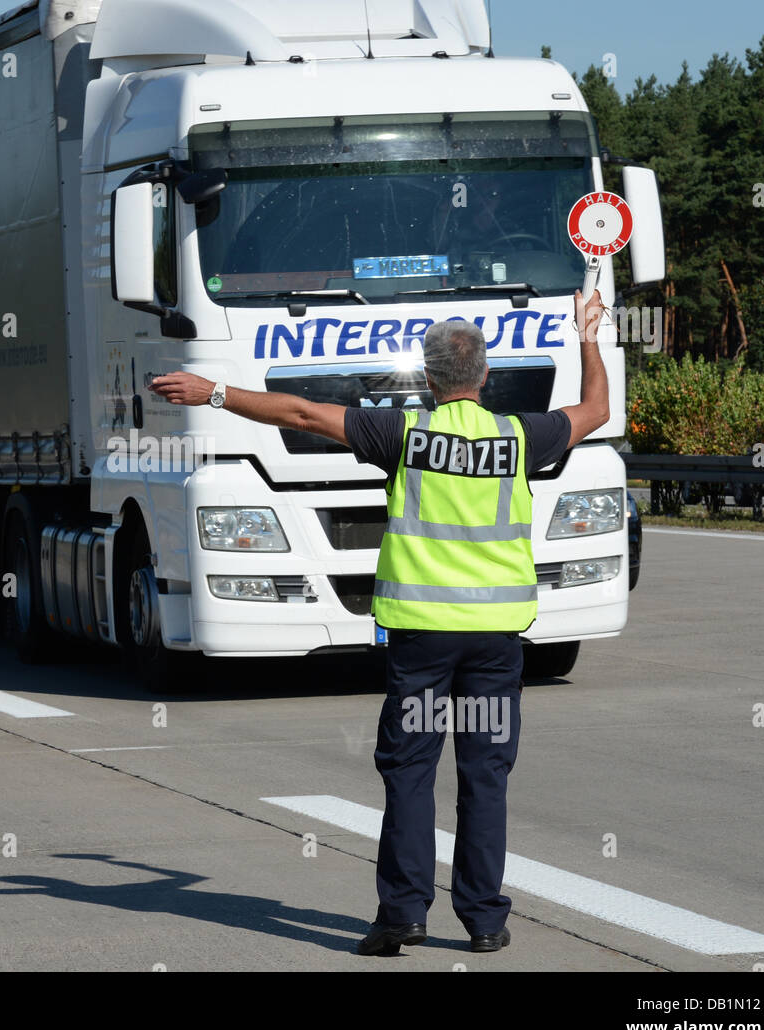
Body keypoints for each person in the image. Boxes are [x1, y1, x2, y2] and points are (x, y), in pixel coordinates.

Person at [149, 289, 610, 956]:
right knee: (483, 775)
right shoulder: (520, 436)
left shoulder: (402, 434)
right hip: (494, 643)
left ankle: (403, 915)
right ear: (484, 377)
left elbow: (302, 410)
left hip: (422, 642)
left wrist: (212, 392)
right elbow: (597, 409)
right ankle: (483, 921)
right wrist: (588, 333)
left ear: (426, 380)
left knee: (412, 771)